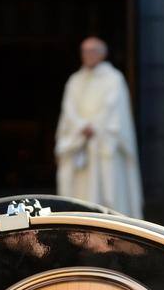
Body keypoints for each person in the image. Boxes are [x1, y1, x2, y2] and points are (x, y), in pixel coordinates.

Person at [55, 36, 143, 217]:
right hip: (79, 142)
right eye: (85, 51)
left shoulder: (114, 79)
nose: (88, 55)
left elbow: (114, 110)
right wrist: (81, 126)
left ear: (103, 54)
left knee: (106, 193)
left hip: (102, 144)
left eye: (92, 50)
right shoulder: (75, 79)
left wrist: (94, 126)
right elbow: (68, 108)